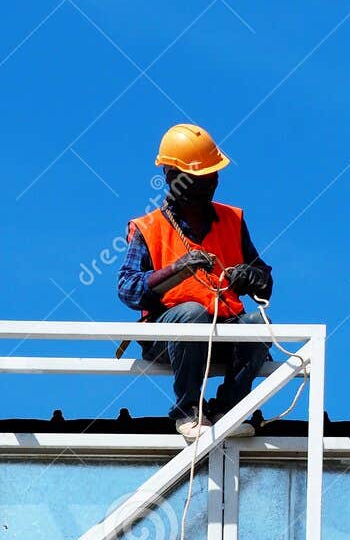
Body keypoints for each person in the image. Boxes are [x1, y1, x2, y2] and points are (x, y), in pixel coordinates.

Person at [117, 123, 274, 441]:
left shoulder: (232, 221)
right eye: (200, 178)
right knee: (192, 314)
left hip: (223, 333)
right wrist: (177, 270)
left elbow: (265, 282)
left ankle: (229, 409)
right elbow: (128, 289)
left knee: (259, 321)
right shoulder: (149, 227)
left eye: (213, 175)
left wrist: (252, 277)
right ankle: (189, 410)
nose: (210, 184)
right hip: (170, 339)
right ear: (172, 179)